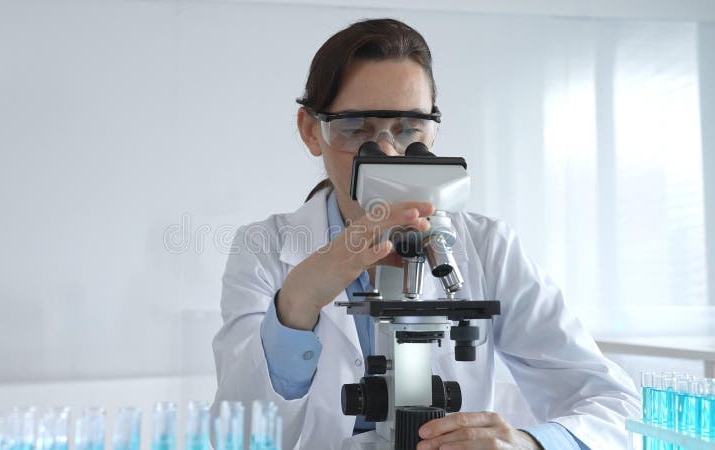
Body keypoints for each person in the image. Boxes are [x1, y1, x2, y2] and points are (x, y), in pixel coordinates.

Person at [212, 18, 639, 450]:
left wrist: (529, 444)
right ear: (311, 130)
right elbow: (239, 434)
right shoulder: (264, 249)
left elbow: (613, 404)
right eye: (356, 128)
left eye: (409, 129)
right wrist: (296, 304)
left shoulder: (487, 247)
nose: (388, 153)